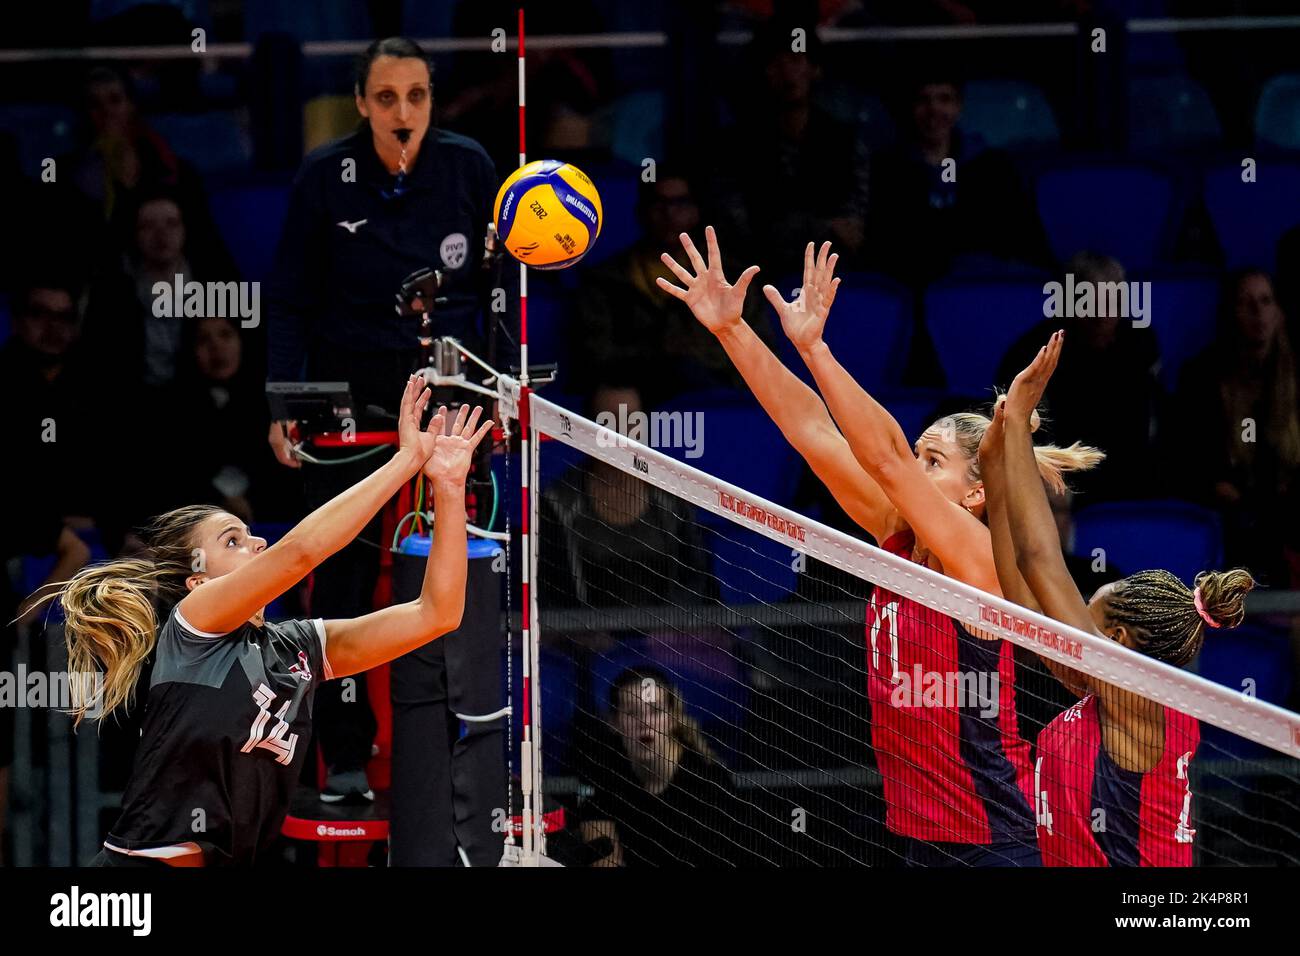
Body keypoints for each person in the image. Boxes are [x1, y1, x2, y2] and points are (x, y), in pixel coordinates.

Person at [659, 227, 1102, 865]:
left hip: (994, 836)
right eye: (920, 455)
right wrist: (732, 330)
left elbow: (889, 459)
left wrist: (816, 350)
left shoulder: (977, 557)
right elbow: (811, 429)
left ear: (976, 494)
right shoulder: (894, 532)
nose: (916, 470)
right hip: (915, 830)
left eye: (936, 461)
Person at [51, 378, 492, 866]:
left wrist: (448, 488)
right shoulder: (192, 626)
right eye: (232, 541)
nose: (257, 543)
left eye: (249, 535)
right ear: (198, 583)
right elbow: (300, 553)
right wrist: (405, 462)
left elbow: (437, 614)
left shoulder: (297, 648)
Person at [266, 37, 499, 802]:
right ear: (362, 103)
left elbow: (496, 295)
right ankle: (344, 755)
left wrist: (500, 398)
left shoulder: (468, 166)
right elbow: (293, 298)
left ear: (434, 98)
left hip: (453, 403)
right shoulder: (323, 178)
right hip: (353, 406)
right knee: (338, 581)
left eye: (418, 96)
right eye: (388, 98)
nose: (404, 113)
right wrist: (283, 402)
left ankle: (471, 739)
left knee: (463, 573)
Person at [979, 330, 1252, 866]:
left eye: (1088, 615)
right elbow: (1020, 595)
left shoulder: (1141, 703)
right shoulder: (1105, 696)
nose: (1072, 618)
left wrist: (1020, 429)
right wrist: (995, 466)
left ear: (1120, 641)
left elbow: (1040, 560)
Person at [569, 170, 773, 405]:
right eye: (659, 203)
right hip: (636, 386)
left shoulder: (730, 278)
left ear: (697, 211)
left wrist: (696, 357)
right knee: (615, 400)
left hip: (712, 386)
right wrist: (658, 355)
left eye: (680, 203)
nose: (669, 214)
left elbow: (761, 354)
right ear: (641, 211)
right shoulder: (606, 279)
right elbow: (593, 356)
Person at [997, 252, 1163, 501]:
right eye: (1093, 307)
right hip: (1060, 486)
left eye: (1114, 305)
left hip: (1130, 480)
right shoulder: (1033, 355)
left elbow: (1146, 426)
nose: (1105, 318)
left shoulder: (1139, 344)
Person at [1171, 269, 1300, 587]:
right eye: (1246, 303)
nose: (1259, 313)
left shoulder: (1298, 376)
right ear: (1230, 316)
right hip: (1230, 520)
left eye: (1266, 301)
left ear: (1279, 312)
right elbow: (1185, 463)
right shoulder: (1201, 378)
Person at [540, 380, 715, 609]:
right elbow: (545, 590)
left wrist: (669, 633)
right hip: (582, 638)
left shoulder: (673, 498)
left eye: (632, 420)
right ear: (588, 429)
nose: (622, 432)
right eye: (609, 420)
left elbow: (697, 580)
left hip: (666, 639)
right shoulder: (558, 500)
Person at [575, 666, 767, 867]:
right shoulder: (601, 770)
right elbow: (603, 860)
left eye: (656, 711)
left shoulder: (709, 784)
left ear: (672, 718)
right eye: (632, 713)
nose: (645, 723)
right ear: (614, 722)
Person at [868, 74, 1050, 285]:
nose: (933, 110)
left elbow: (1020, 237)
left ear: (959, 106)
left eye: (944, 99)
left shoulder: (992, 167)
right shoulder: (888, 169)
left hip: (980, 285)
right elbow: (883, 246)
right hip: (915, 290)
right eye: (923, 100)